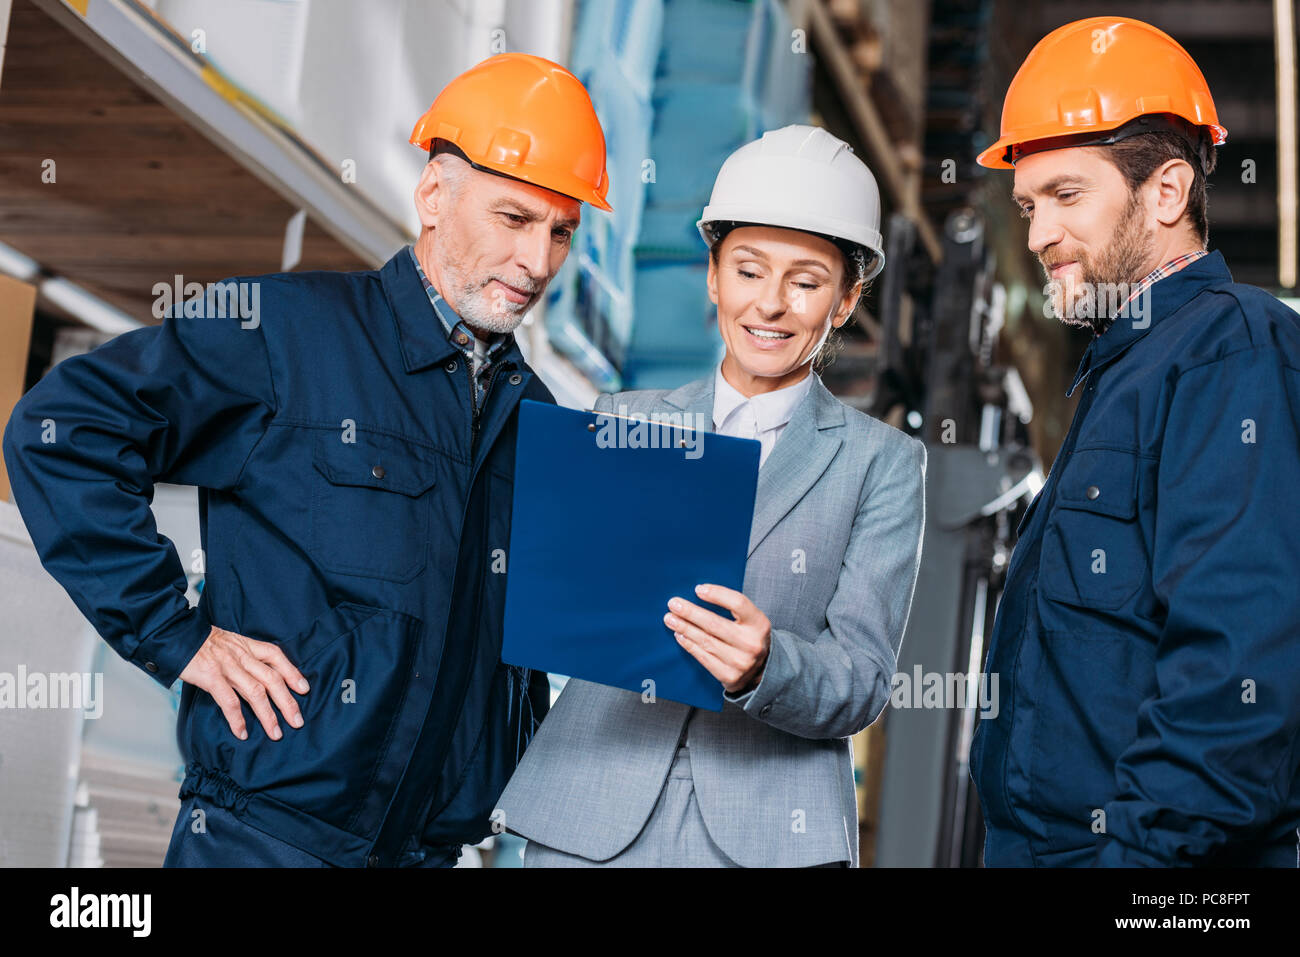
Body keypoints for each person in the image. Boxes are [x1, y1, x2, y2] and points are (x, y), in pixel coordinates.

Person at [1, 53, 611, 867]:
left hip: (429, 853)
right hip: (262, 842)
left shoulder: (537, 414)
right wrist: (176, 636)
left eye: (561, 230)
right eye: (514, 218)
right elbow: (61, 431)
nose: (539, 261)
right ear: (434, 195)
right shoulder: (285, 332)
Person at [495, 125, 928, 867]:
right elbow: (555, 602)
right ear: (713, 276)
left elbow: (862, 678)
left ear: (847, 298)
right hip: (590, 808)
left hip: (764, 832)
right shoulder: (622, 419)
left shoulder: (882, 464)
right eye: (750, 270)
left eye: (806, 280)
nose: (771, 305)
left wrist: (767, 664)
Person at [970, 16, 1300, 866]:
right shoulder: (1124, 369)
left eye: (1067, 196)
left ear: (1166, 192)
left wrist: (1137, 870)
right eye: (1029, 205)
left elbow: (1239, 674)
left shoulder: (1231, 350)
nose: (1039, 234)